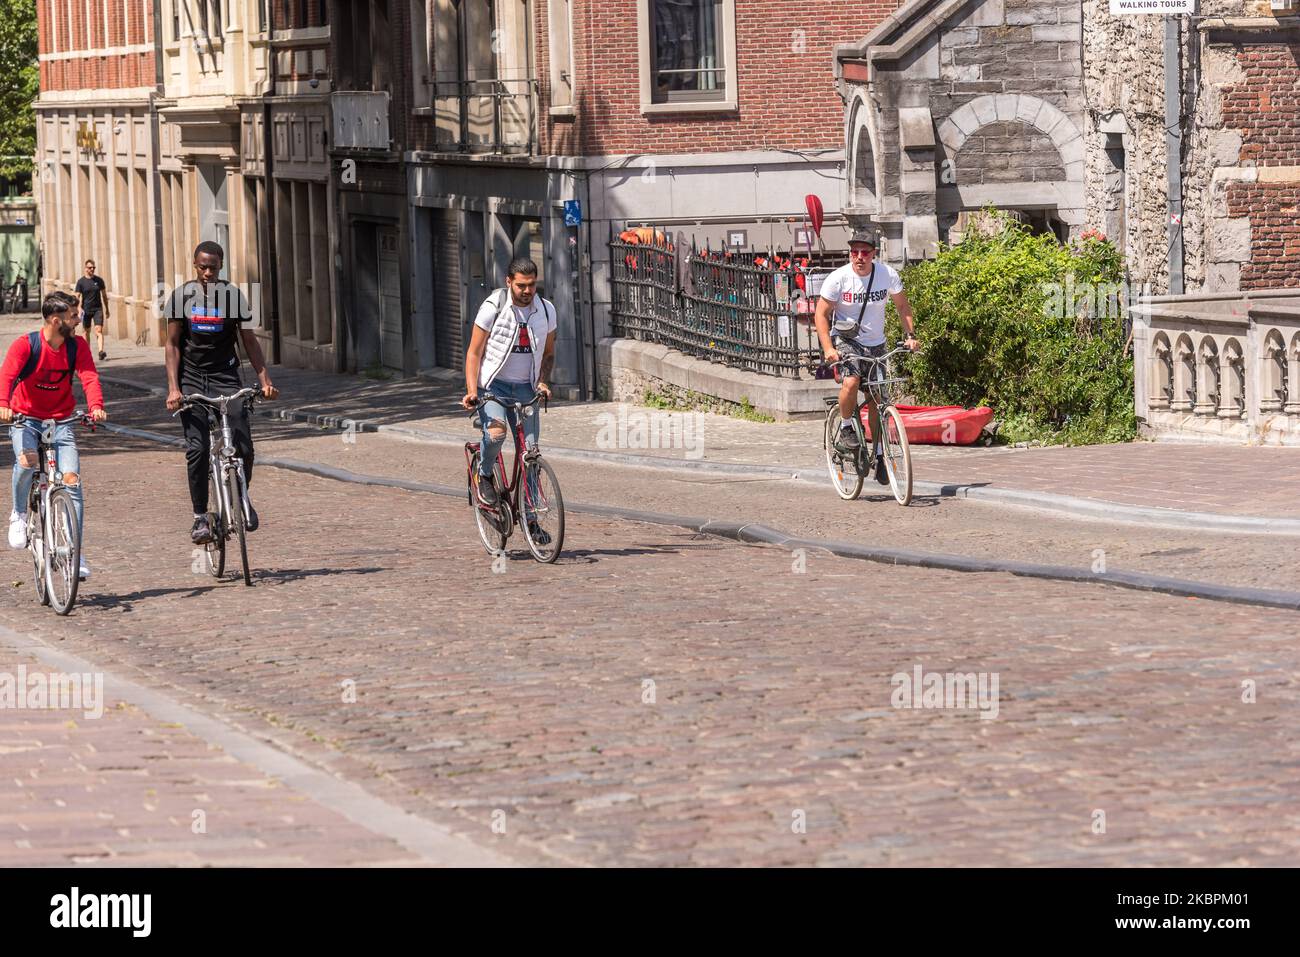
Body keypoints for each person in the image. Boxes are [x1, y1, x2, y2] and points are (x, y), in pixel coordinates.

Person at [163, 241, 278, 545]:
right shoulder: (181, 297)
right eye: (203, 266)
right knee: (198, 448)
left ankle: (242, 497)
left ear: (221, 265)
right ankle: (201, 516)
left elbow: (249, 340)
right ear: (194, 265)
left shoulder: (233, 297)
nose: (208, 272)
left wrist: (264, 379)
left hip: (226, 375)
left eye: (214, 266)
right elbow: (172, 344)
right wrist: (174, 388)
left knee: (244, 444)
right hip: (191, 378)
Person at [0, 291, 108, 579]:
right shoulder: (26, 345)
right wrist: (3, 405)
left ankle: (74, 551)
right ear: (57, 319)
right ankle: (19, 514)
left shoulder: (77, 346)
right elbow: (7, 376)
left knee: (71, 479)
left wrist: (96, 406)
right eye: (75, 315)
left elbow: (88, 376)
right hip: (26, 417)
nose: (79, 319)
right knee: (27, 458)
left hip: (61, 421)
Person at [460, 258, 557, 541]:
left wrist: (543, 381)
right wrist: (471, 390)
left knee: (531, 452)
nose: (527, 291)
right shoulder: (493, 307)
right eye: (521, 285)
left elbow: (549, 353)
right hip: (494, 386)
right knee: (496, 432)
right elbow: (474, 353)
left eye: (532, 285)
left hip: (526, 388)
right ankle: (484, 473)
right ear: (509, 282)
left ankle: (530, 519)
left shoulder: (547, 311)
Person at [814, 228, 920, 484]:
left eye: (865, 252)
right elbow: (821, 314)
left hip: (877, 345)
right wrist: (829, 348)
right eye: (854, 252)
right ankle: (848, 425)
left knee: (877, 399)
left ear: (874, 253)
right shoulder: (838, 279)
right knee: (850, 382)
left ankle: (881, 454)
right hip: (847, 341)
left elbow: (902, 306)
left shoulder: (887, 275)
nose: (859, 257)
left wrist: (911, 335)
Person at [74, 260, 109, 362]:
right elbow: (77, 297)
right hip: (86, 310)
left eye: (94, 267)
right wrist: (78, 309)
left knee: (99, 330)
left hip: (98, 309)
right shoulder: (81, 282)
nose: (92, 269)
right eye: (90, 268)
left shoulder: (99, 281)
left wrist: (107, 309)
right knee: (86, 331)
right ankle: (87, 352)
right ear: (85, 268)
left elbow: (104, 295)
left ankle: (101, 351)